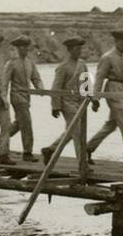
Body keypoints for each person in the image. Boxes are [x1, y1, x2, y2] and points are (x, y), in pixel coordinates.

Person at [84, 30, 123, 170]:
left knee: (112, 125)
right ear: (116, 41)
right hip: (112, 91)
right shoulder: (107, 57)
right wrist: (96, 98)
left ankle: (87, 149)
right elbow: (99, 78)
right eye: (122, 41)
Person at [41, 37, 97, 166]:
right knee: (77, 133)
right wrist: (55, 106)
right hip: (67, 103)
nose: (79, 51)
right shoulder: (63, 67)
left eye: (80, 49)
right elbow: (56, 88)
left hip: (80, 103)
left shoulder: (82, 65)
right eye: (76, 49)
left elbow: (87, 85)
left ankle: (51, 150)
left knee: (71, 132)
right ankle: (82, 164)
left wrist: (93, 100)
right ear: (70, 50)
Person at [3, 36, 46, 161]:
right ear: (17, 48)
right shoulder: (11, 63)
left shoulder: (29, 62)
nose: (24, 49)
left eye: (26, 46)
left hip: (27, 97)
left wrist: (40, 88)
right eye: (21, 46)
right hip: (16, 96)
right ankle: (27, 152)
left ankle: (1, 138)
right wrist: (3, 99)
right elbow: (5, 83)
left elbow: (36, 78)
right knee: (26, 123)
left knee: (20, 122)